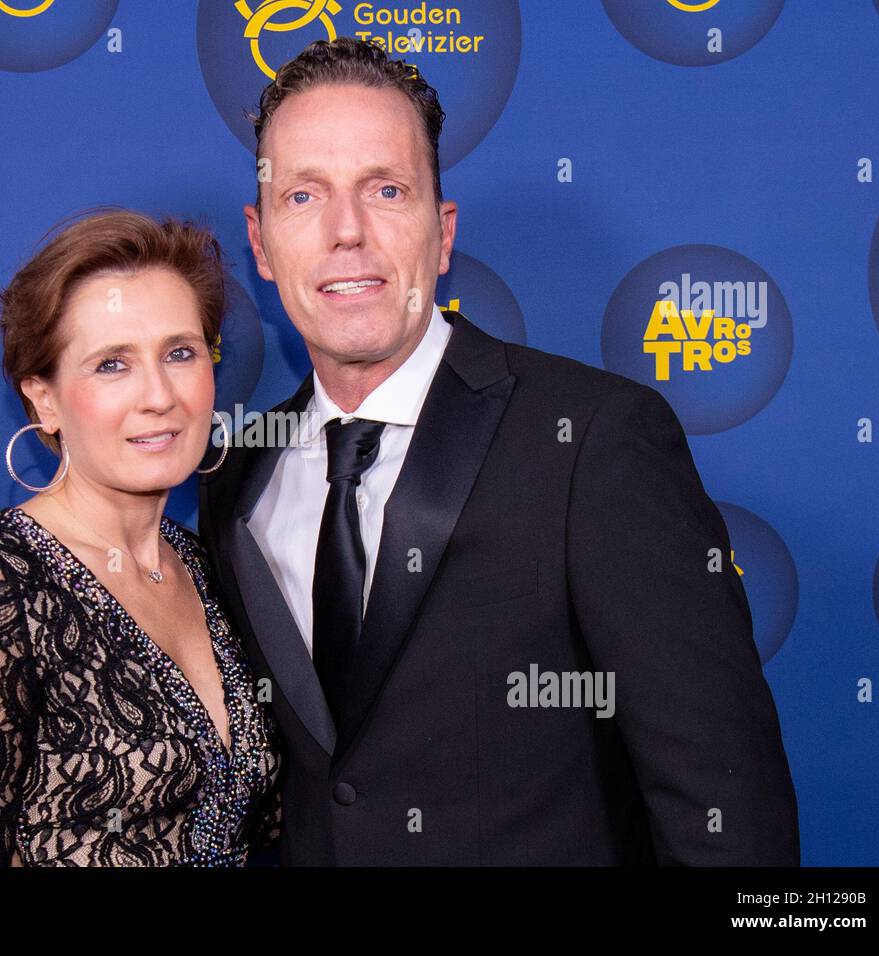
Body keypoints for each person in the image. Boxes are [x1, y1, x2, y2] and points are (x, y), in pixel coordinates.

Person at [198, 37, 800, 865]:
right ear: (261, 243)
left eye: (386, 189)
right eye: (303, 195)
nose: (347, 233)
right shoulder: (237, 480)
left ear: (442, 235)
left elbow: (724, 809)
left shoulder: (596, 441)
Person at [0, 209, 282, 866]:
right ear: (44, 399)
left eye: (180, 353)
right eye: (112, 364)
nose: (159, 395)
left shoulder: (211, 567)